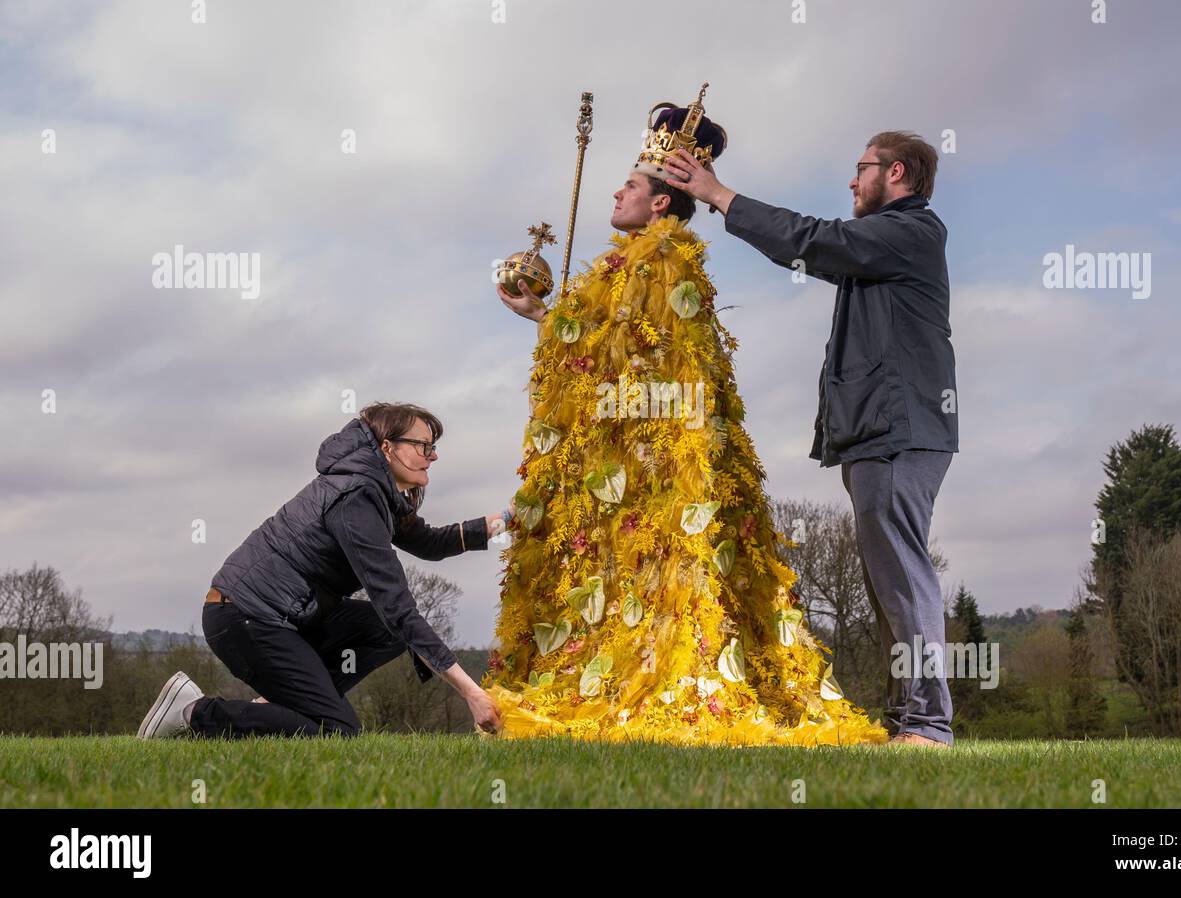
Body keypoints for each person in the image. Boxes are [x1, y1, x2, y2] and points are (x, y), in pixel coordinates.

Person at [488, 85, 889, 746]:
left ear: (662, 200)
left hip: (663, 470)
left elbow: (651, 374)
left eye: (628, 187)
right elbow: (594, 355)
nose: (616, 197)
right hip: (626, 469)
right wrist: (541, 315)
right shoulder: (617, 268)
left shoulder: (670, 261)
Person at [662, 131, 959, 748]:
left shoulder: (911, 232)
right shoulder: (879, 248)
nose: (851, 182)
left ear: (896, 172)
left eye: (861, 169)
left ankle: (928, 723)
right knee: (887, 583)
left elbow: (813, 240)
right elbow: (811, 251)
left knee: (902, 575)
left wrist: (719, 195)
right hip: (877, 434)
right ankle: (906, 720)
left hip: (899, 432)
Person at [137, 401, 507, 739]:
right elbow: (397, 605)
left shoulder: (374, 492)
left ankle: (286, 705)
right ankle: (192, 712)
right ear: (387, 447)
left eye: (434, 446)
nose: (434, 455)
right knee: (338, 730)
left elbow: (430, 543)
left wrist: (508, 520)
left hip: (288, 617)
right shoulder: (356, 498)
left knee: (385, 631)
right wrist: (471, 693)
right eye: (423, 445)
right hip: (246, 618)